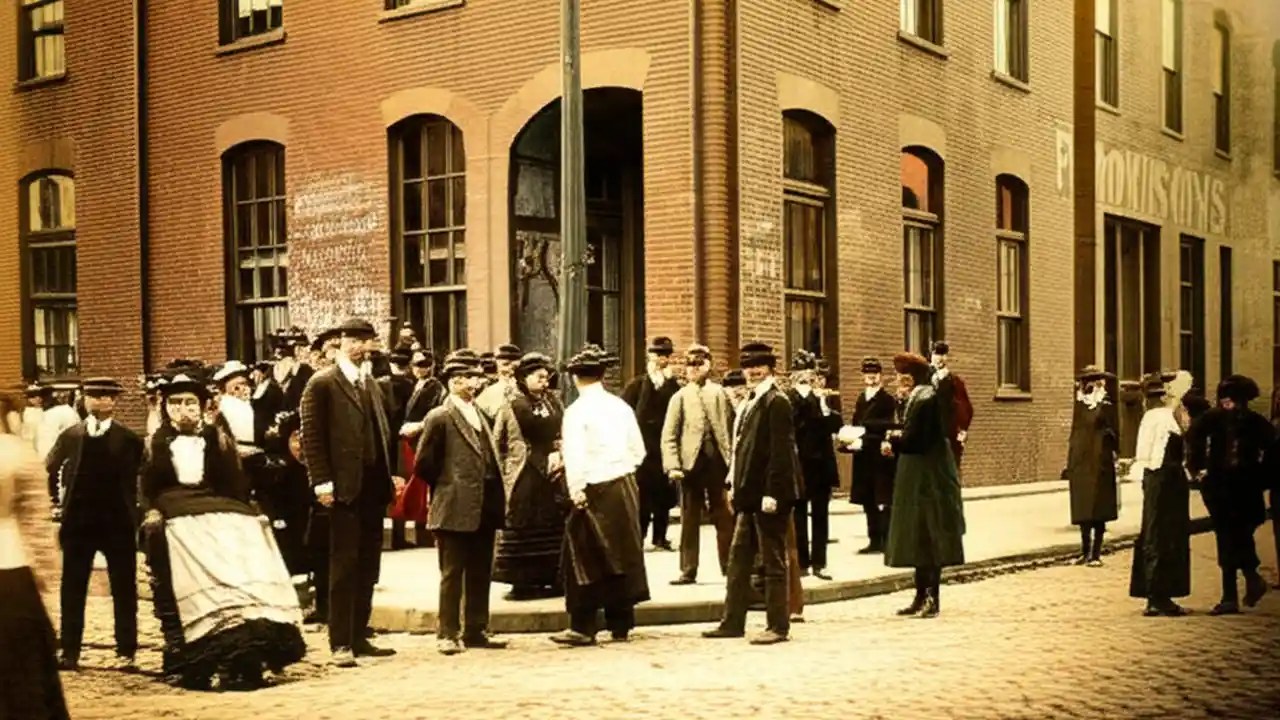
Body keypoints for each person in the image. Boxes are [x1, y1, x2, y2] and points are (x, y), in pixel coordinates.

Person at [141, 371, 306, 689]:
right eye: (175, 403)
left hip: (220, 508)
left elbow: (234, 483)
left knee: (249, 553)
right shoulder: (156, 444)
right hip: (176, 512)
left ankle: (246, 653)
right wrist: (151, 510)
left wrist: (252, 511)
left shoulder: (216, 439)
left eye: (190, 402)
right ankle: (190, 657)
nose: (183, 409)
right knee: (182, 571)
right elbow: (147, 487)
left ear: (203, 406)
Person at [299, 318, 400, 667]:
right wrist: (321, 481)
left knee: (369, 564)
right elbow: (311, 436)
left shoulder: (370, 383)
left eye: (366, 341)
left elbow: (384, 430)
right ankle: (340, 641)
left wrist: (392, 475)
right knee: (343, 565)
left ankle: (360, 635)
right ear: (340, 342)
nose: (361, 347)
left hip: (372, 485)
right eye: (354, 340)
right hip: (343, 487)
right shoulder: (322, 383)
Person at [550, 345, 650, 646]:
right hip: (623, 484)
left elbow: (576, 453)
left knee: (584, 557)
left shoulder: (576, 412)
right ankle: (621, 623)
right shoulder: (621, 407)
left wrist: (577, 488)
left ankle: (583, 625)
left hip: (593, 488)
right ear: (603, 375)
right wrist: (621, 468)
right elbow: (639, 450)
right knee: (623, 552)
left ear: (574, 379)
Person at [416, 352, 512, 655]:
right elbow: (424, 464)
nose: (477, 382)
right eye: (471, 378)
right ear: (455, 381)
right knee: (452, 572)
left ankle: (476, 629)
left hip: (484, 504)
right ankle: (447, 632)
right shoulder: (440, 417)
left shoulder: (479, 412)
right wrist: (449, 485)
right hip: (454, 504)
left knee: (481, 570)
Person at [46, 377, 144, 671]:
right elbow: (49, 468)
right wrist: (54, 503)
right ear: (84, 399)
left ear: (115, 402)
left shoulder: (129, 439)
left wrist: (138, 511)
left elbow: (143, 478)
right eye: (94, 395)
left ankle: (126, 651)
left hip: (118, 523)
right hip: (79, 522)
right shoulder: (72, 436)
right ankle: (70, 651)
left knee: (124, 587)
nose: (100, 401)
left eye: (107, 396)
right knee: (72, 587)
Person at [704, 341, 798, 645]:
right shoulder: (750, 401)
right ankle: (732, 622)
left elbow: (781, 453)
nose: (753, 371)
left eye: (758, 366)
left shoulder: (776, 401)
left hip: (768, 497)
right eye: (748, 366)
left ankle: (778, 625)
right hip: (747, 493)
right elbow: (741, 447)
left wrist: (773, 492)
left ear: (770, 368)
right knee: (739, 560)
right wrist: (732, 482)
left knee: (772, 560)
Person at [0, 384, 70, 719]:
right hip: (10, 566)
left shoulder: (14, 453)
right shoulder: (16, 452)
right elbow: (36, 519)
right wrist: (45, 573)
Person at [884, 352, 965, 619]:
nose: (898, 381)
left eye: (901, 377)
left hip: (930, 478)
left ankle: (932, 598)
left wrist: (894, 442)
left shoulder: (928, 400)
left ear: (911, 378)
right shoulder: (916, 399)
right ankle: (920, 596)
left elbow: (920, 440)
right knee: (917, 537)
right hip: (917, 475)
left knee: (931, 536)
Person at [1185, 374, 1274, 615]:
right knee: (1227, 537)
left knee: (1240, 535)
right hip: (1220, 488)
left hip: (1246, 488)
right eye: (1225, 400)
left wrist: (1263, 477)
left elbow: (1272, 450)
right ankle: (1235, 590)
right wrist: (1199, 471)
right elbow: (1193, 439)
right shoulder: (1213, 419)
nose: (1228, 405)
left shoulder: (1255, 423)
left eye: (1233, 401)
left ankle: (1247, 582)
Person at [493, 353, 568, 600]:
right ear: (524, 378)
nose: (544, 382)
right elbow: (500, 440)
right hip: (523, 472)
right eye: (539, 377)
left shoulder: (553, 402)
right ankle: (522, 582)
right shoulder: (513, 404)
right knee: (524, 523)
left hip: (552, 470)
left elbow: (561, 428)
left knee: (552, 523)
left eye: (547, 377)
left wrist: (560, 452)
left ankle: (552, 577)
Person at [661, 344, 734, 585]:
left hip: (717, 462)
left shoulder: (720, 394)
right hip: (690, 464)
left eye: (699, 363)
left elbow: (732, 428)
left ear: (708, 365)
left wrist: (733, 460)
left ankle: (729, 566)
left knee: (723, 516)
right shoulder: (679, 397)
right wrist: (673, 465)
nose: (694, 368)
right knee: (689, 518)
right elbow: (669, 435)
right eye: (690, 364)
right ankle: (688, 569)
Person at [1128, 371, 1196, 617]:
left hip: (1169, 480)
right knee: (1159, 534)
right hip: (1161, 479)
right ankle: (1156, 594)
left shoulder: (1173, 415)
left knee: (1166, 534)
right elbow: (1148, 453)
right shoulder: (1159, 417)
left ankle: (1161, 594)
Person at [621, 336, 681, 551]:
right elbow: (632, 414)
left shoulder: (673, 386)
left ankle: (660, 536)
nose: (661, 360)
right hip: (642, 449)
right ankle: (640, 535)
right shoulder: (637, 385)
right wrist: (650, 382)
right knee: (643, 496)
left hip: (664, 447)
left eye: (665, 355)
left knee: (664, 496)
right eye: (657, 355)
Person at [787, 350, 840, 579]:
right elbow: (794, 426)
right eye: (799, 372)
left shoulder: (822, 399)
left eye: (808, 372)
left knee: (820, 515)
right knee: (798, 514)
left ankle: (820, 562)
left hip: (820, 465)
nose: (804, 377)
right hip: (799, 463)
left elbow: (835, 425)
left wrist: (823, 404)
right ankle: (802, 563)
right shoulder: (789, 399)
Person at [1065, 366, 1119, 567]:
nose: (1089, 386)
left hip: (1100, 462)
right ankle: (1084, 551)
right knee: (1083, 508)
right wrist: (1070, 461)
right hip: (1081, 462)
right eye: (1086, 382)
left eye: (1093, 381)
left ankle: (1095, 553)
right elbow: (1074, 432)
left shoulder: (1106, 405)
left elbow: (1114, 432)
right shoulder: (1079, 405)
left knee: (1099, 508)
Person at [844, 357, 898, 554]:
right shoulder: (861, 398)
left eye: (874, 374)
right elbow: (857, 422)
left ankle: (886, 540)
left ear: (880, 376)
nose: (871, 377)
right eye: (868, 374)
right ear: (863, 376)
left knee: (881, 499)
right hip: (863, 456)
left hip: (879, 456)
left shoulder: (887, 400)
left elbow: (887, 426)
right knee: (867, 500)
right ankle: (873, 540)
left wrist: (865, 435)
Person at [929, 342, 973, 469]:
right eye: (936, 354)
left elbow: (966, 407)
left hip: (949, 434)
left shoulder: (954, 382)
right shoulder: (925, 379)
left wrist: (963, 429)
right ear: (931, 356)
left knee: (949, 470)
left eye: (943, 354)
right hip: (928, 436)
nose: (939, 358)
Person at [476, 344, 523, 420]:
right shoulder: (488, 393)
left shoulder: (524, 390)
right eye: (505, 364)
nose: (509, 370)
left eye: (514, 367)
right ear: (496, 366)